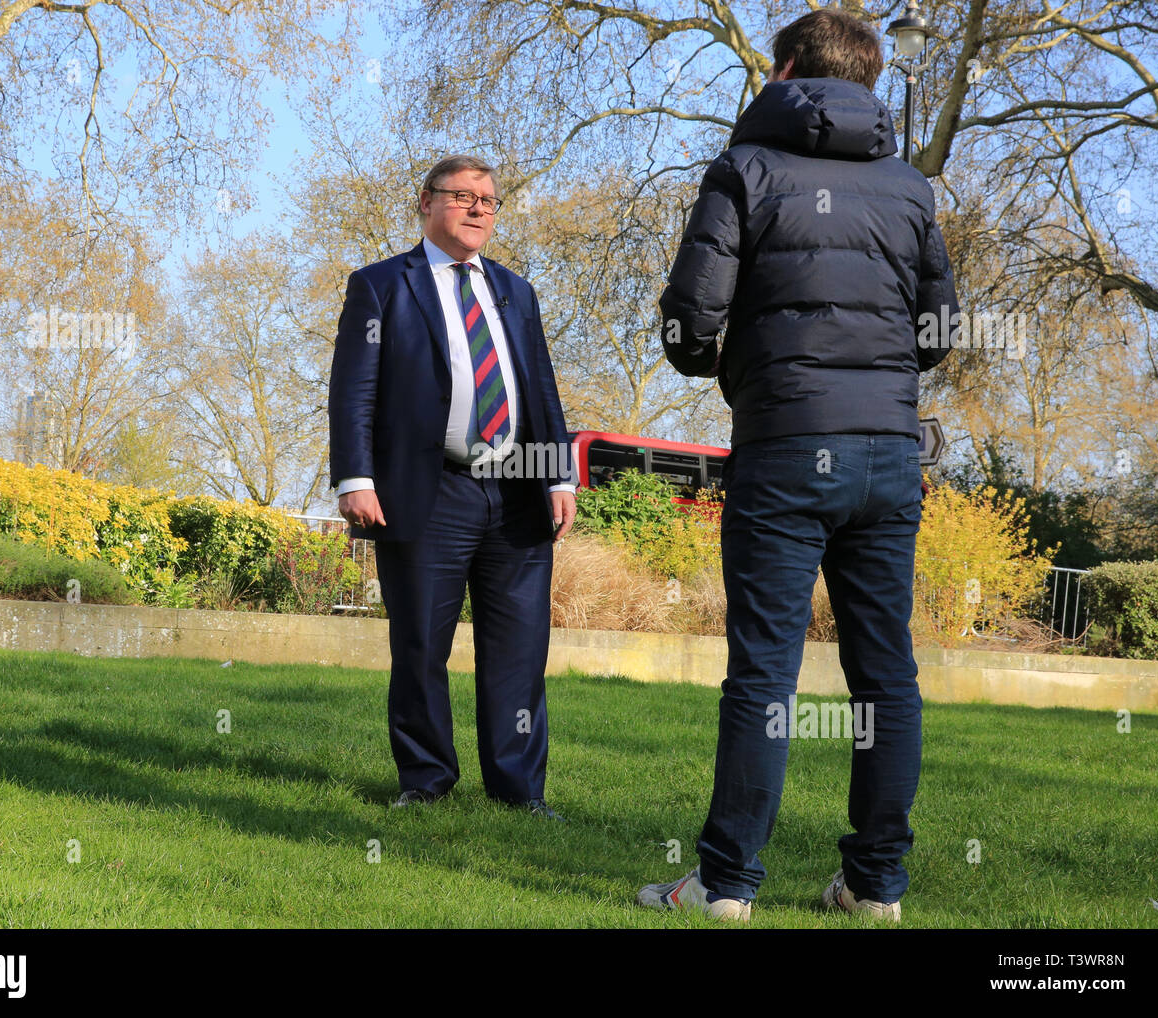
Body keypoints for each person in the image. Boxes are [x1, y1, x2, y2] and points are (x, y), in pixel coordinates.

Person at [637, 8, 958, 921]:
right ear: (870, 79)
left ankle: (726, 885)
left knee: (765, 674)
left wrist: (736, 368)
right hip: (891, 453)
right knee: (885, 673)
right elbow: (937, 329)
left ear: (782, 72)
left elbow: (689, 322)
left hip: (784, 448)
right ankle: (875, 886)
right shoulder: (908, 186)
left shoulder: (745, 168)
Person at [328, 154, 576, 818]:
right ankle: (427, 780)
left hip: (518, 491)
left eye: (488, 201)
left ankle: (519, 791)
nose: (477, 209)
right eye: (462, 196)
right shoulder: (381, 286)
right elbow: (353, 390)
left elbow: (541, 388)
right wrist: (355, 477)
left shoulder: (517, 293)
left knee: (521, 649)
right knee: (419, 645)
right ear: (425, 202)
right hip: (426, 489)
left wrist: (559, 472)